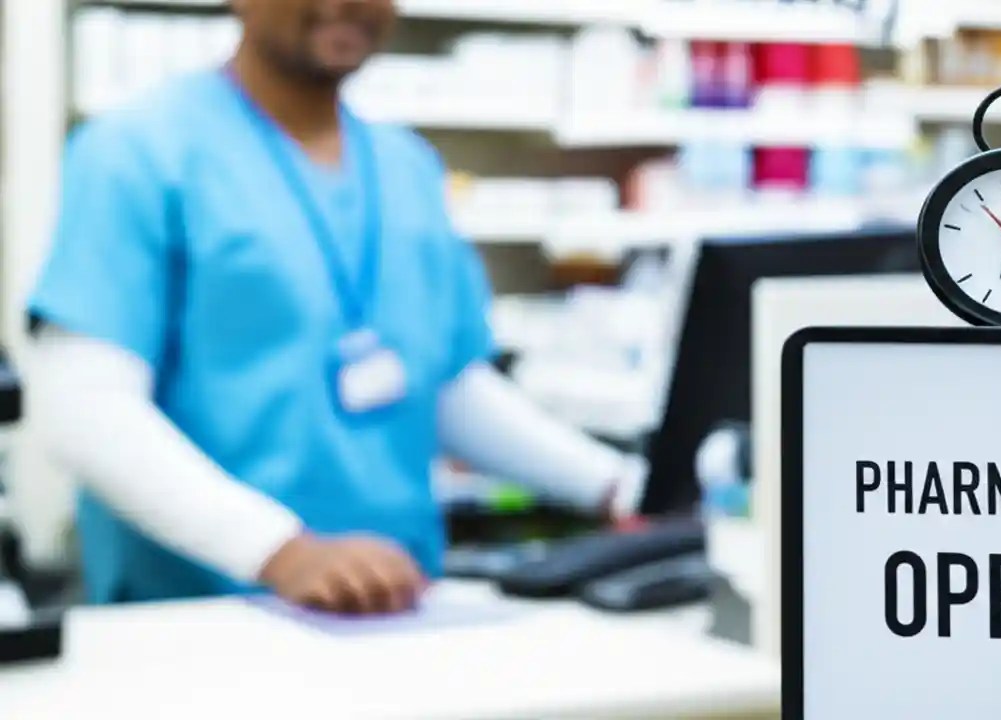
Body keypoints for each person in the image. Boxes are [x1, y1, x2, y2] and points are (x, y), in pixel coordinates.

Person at [24, 0, 645, 614]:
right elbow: (85, 408)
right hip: (202, 621)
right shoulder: (135, 153)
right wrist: (280, 551)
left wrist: (614, 485)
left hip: (396, 606)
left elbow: (445, 389)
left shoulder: (406, 166)